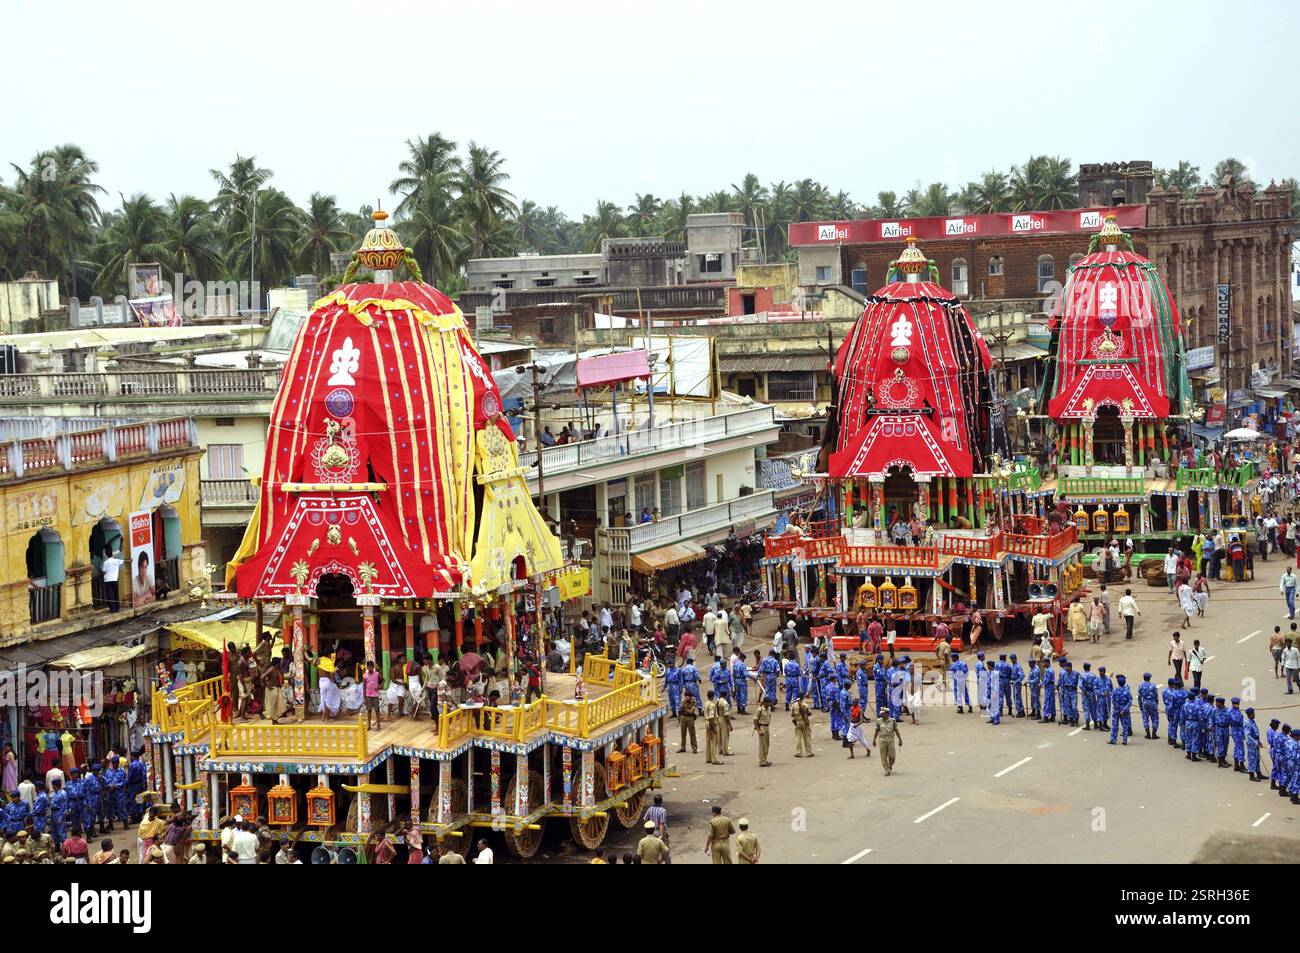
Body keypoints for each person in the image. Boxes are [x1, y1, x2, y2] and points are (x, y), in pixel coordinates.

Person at [872, 707, 902, 775]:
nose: (882, 715)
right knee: (883, 756)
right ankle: (887, 769)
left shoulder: (892, 721)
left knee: (892, 756)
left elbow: (896, 730)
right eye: (881, 714)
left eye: (883, 713)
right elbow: (876, 731)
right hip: (882, 740)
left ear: (887, 714)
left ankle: (889, 765)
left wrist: (900, 740)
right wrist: (874, 740)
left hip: (891, 740)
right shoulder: (878, 721)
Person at [1108, 675, 1132, 745]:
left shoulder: (1115, 690)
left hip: (1116, 710)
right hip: (1125, 711)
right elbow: (1130, 701)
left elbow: (1113, 701)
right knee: (1125, 725)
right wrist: (1124, 709)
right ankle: (1125, 740)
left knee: (1115, 725)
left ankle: (1113, 740)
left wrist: (1119, 708)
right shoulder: (1127, 691)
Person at [100, 548, 123, 613]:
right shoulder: (116, 561)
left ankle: (112, 608)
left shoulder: (106, 562)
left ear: (106, 555)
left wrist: (103, 571)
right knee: (116, 594)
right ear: (112, 554)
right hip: (115, 579)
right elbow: (125, 561)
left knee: (110, 595)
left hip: (107, 580)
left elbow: (104, 571)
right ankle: (117, 607)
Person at [1138, 672, 1160, 740]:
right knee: (1155, 717)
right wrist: (1156, 704)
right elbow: (1156, 696)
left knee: (1145, 717)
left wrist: (1140, 705)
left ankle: (1147, 733)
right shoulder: (1153, 685)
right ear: (1150, 678)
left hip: (1145, 702)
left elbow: (1139, 697)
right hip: (1152, 702)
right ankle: (1154, 733)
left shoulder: (1141, 685)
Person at [792, 693, 814, 758]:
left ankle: (798, 752)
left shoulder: (793, 705)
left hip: (797, 722)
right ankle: (809, 752)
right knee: (807, 737)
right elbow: (810, 713)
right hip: (804, 722)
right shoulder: (805, 705)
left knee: (798, 737)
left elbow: (792, 714)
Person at [677, 689, 698, 754]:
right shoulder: (683, 701)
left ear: (690, 696)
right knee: (683, 733)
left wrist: (684, 709)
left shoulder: (693, 701)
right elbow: (680, 708)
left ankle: (694, 748)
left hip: (690, 717)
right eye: (686, 696)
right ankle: (683, 747)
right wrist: (684, 705)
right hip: (683, 717)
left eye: (688, 696)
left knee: (692, 733)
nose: (686, 697)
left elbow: (691, 711)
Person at [753, 696, 773, 767]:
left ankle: (765, 759)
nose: (769, 704)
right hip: (762, 727)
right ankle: (762, 761)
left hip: (767, 727)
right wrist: (758, 730)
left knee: (767, 744)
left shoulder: (769, 709)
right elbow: (755, 720)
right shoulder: (759, 710)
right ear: (764, 702)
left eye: (769, 703)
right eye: (767, 703)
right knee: (762, 745)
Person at [363, 660, 382, 729]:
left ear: (373, 667)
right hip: (368, 695)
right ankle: (369, 726)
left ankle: (379, 724)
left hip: (375, 695)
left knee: (377, 710)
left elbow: (383, 680)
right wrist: (364, 697)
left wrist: (380, 686)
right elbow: (364, 687)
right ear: (367, 667)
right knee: (369, 710)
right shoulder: (365, 676)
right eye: (369, 667)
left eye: (372, 667)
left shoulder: (377, 674)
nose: (370, 669)